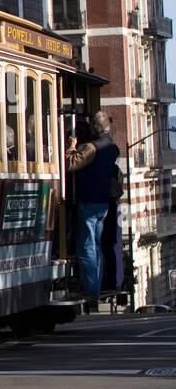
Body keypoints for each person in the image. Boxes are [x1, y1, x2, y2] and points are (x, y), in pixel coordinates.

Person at [65, 110, 119, 297]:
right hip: (103, 202)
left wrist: (72, 147)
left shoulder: (92, 147)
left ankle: (92, 287)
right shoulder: (111, 147)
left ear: (94, 127)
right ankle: (98, 282)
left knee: (86, 246)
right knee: (96, 245)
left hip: (88, 200)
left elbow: (71, 164)